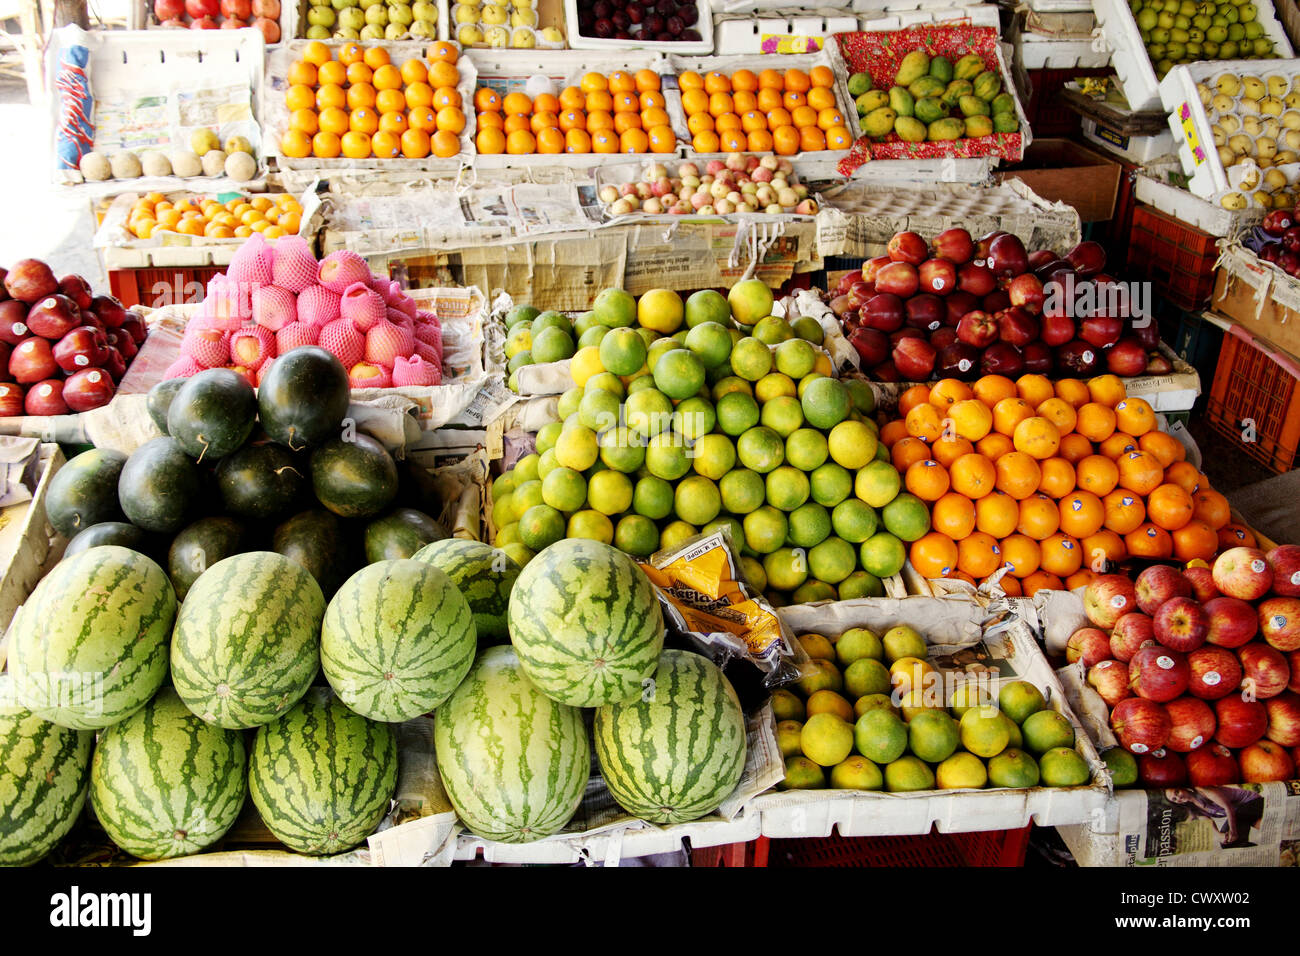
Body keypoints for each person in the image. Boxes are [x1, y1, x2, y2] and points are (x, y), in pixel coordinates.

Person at [1165, 787, 1265, 849]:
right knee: (1227, 844)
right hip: (1241, 813)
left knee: (1239, 821)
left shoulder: (1203, 790)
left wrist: (1233, 831)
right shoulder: (1193, 808)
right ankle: (1261, 852)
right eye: (1174, 799)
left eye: (1177, 792)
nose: (1178, 798)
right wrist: (1220, 836)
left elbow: (1228, 808)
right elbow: (1208, 821)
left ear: (1183, 787)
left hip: (1252, 801)